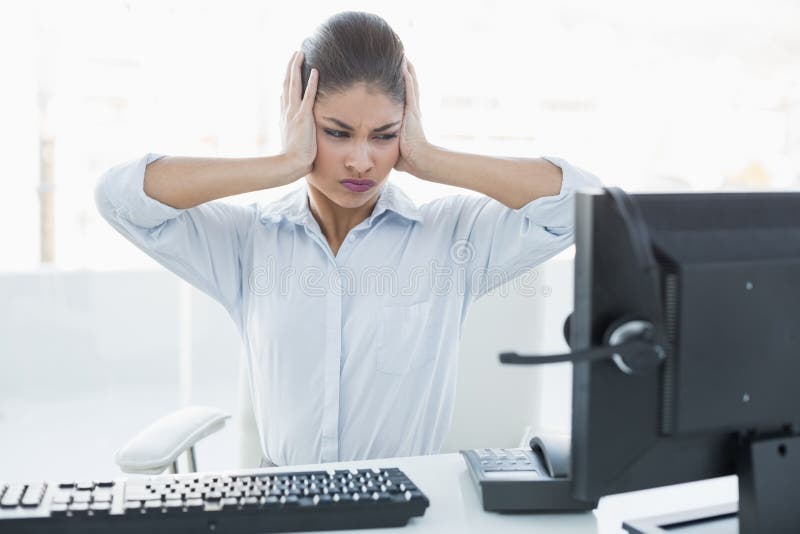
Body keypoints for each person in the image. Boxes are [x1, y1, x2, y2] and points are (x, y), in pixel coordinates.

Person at [95, 11, 602, 467]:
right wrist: (280, 165)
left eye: (384, 135)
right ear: (297, 120)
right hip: (285, 509)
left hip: (406, 504)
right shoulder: (247, 242)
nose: (362, 161)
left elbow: (584, 202)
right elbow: (120, 197)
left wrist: (428, 157)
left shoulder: (452, 238)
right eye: (336, 132)